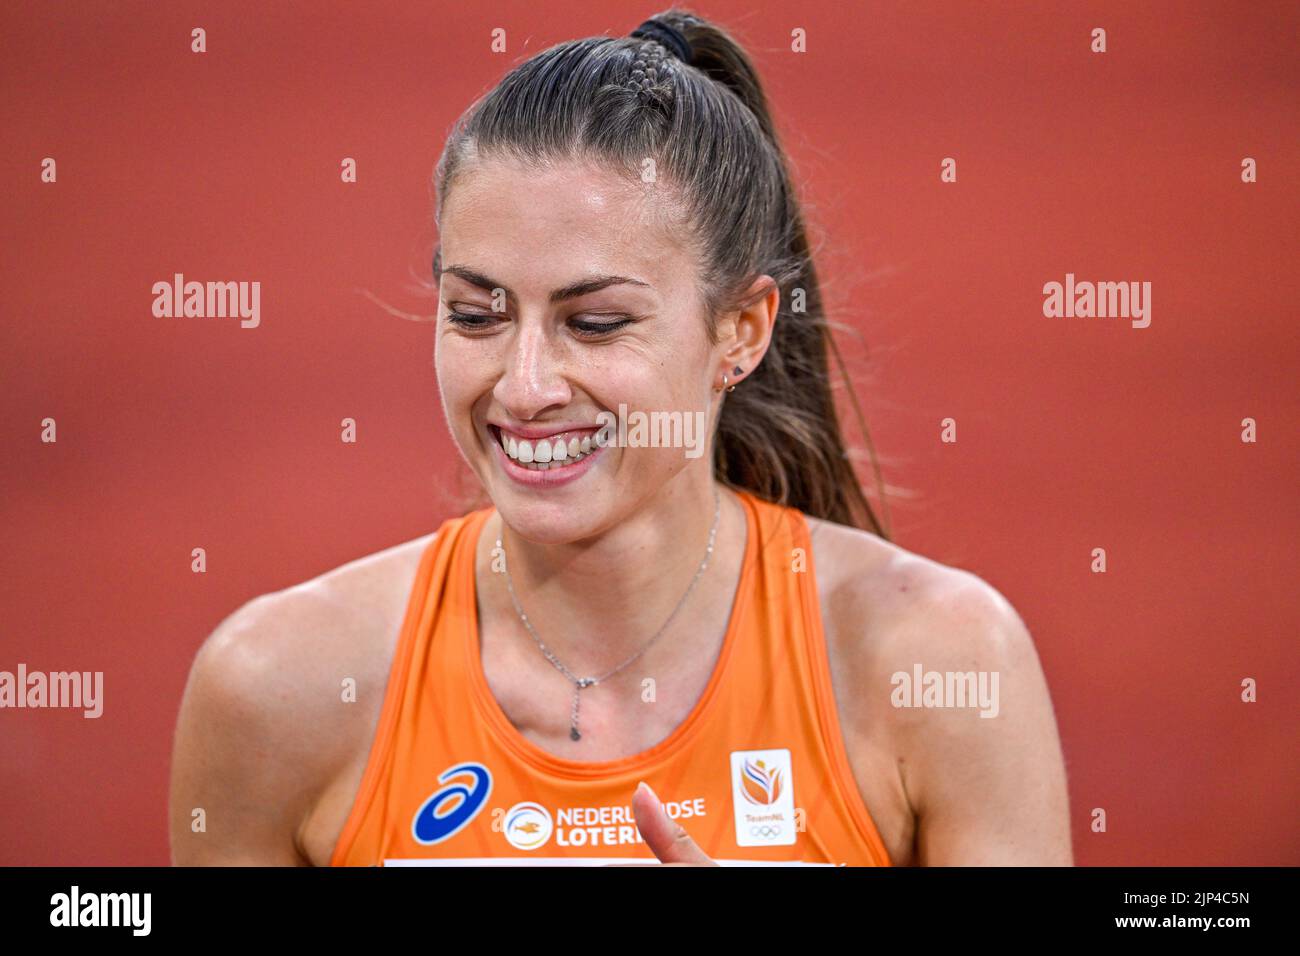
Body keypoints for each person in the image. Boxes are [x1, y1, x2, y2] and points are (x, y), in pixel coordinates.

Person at [169, 9, 1072, 867]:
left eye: (595, 323)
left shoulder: (936, 667)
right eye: (477, 314)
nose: (523, 388)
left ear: (741, 333)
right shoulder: (277, 691)